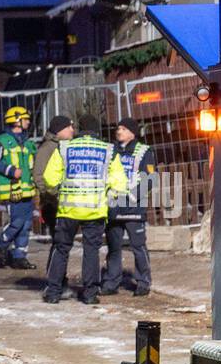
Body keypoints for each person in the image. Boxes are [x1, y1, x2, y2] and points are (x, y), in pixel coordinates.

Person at [40, 113, 128, 305]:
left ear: (79, 129)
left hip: (68, 210)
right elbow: (120, 183)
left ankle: (54, 292)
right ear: (97, 130)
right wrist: (108, 191)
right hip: (95, 210)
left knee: (61, 249)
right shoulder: (108, 150)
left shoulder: (64, 147)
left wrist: (60, 188)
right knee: (91, 251)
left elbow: (50, 178)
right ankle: (89, 294)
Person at [101, 117, 156, 297]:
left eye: (123, 129)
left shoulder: (144, 151)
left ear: (133, 132)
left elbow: (150, 178)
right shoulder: (110, 151)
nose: (119, 131)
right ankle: (111, 282)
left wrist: (132, 197)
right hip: (114, 206)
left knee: (138, 246)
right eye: (118, 128)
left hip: (133, 207)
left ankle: (143, 282)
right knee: (114, 247)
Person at [0, 106, 38, 269]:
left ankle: (19, 257)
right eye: (26, 119)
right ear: (16, 120)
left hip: (27, 191)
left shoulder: (28, 143)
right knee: (17, 223)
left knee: (25, 225)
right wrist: (10, 171)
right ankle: (1, 246)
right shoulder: (2, 141)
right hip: (12, 191)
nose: (29, 122)